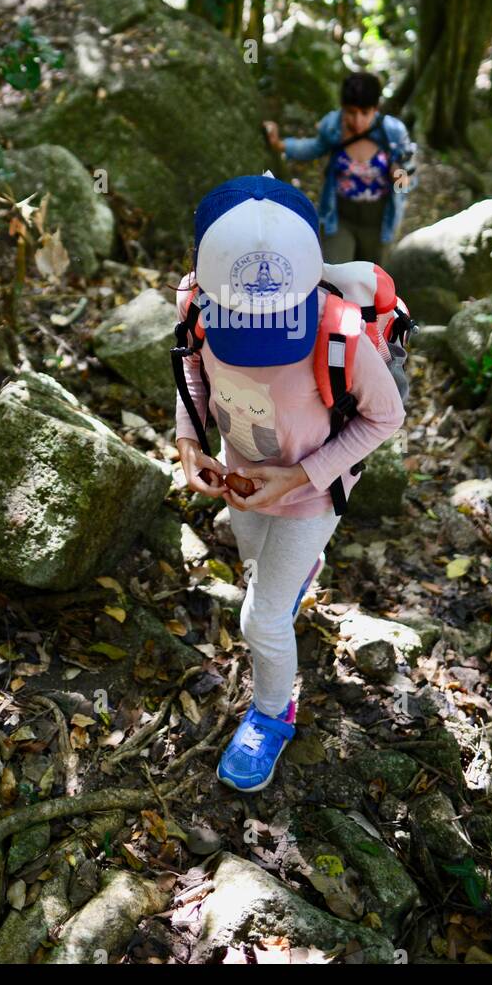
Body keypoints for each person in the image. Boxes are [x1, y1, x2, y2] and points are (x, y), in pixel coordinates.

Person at [173, 172, 405, 793]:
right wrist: (190, 442)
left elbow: (386, 416)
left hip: (314, 492)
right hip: (242, 478)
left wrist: (303, 475)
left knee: (261, 621)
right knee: (253, 558)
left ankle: (274, 715)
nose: (261, 349)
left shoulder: (340, 335)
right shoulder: (196, 303)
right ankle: (291, 578)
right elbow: (192, 375)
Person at [263, 70, 416, 266]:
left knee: (370, 284)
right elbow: (314, 148)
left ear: (375, 109)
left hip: (378, 221)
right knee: (334, 276)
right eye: (351, 112)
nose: (357, 120)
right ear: (343, 107)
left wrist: (399, 175)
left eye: (365, 113)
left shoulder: (393, 132)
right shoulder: (333, 126)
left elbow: (406, 181)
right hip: (339, 216)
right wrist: (281, 145)